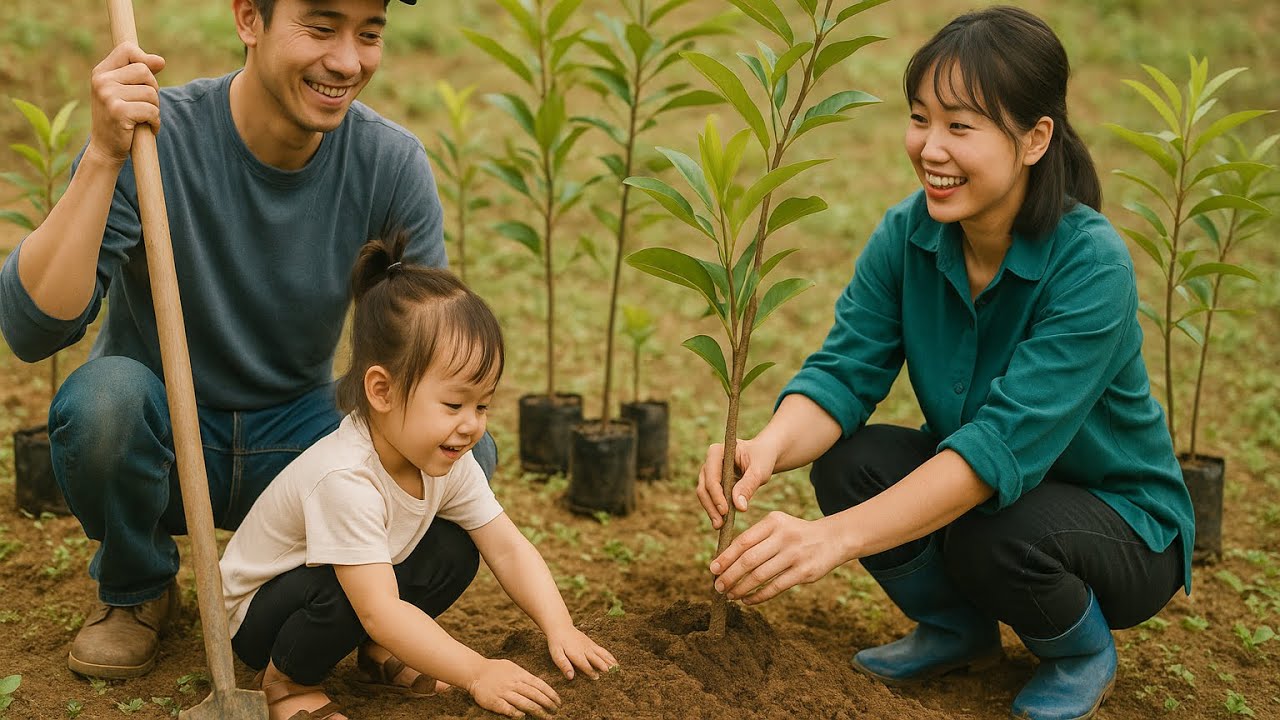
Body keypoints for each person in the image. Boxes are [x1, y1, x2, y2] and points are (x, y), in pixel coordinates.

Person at [695, 7, 1194, 720]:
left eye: (961, 127)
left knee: (997, 519)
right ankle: (958, 630)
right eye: (920, 118)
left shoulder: (1090, 264)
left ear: (1034, 139)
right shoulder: (910, 234)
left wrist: (831, 539)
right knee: (849, 462)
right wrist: (765, 448)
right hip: (1000, 493)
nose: (930, 147)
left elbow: (997, 452)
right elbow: (844, 373)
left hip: (1121, 524)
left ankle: (1082, 648)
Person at [0, 0, 499, 679]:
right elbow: (33, 331)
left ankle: (370, 615)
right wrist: (101, 157)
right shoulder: (153, 140)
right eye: (321, 28)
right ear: (248, 19)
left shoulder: (388, 163)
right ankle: (137, 588)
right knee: (105, 402)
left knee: (458, 437)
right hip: (167, 441)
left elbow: (430, 353)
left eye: (369, 34)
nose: (347, 60)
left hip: (303, 446)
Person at [220, 234, 617, 720]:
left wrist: (560, 625)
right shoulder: (345, 477)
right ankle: (288, 685)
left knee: (454, 549)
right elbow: (378, 609)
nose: (471, 424)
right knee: (356, 596)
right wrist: (476, 671)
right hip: (259, 616)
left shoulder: (444, 458)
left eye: (482, 405)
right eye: (454, 404)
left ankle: (377, 655)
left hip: (341, 591)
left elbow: (507, 547)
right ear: (382, 391)